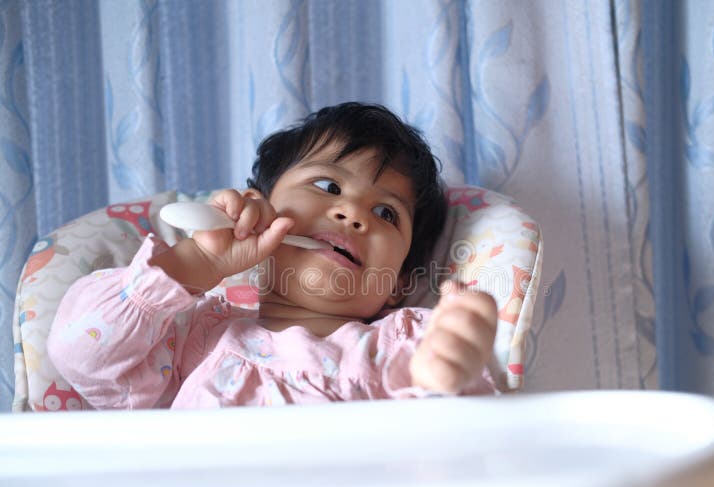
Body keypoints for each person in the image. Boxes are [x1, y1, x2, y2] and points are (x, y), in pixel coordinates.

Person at [47, 102, 499, 409]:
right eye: (328, 187)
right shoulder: (194, 335)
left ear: (399, 282)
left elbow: (468, 434)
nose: (353, 213)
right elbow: (82, 356)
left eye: (386, 213)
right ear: (259, 209)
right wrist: (195, 265)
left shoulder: (403, 342)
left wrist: (448, 364)